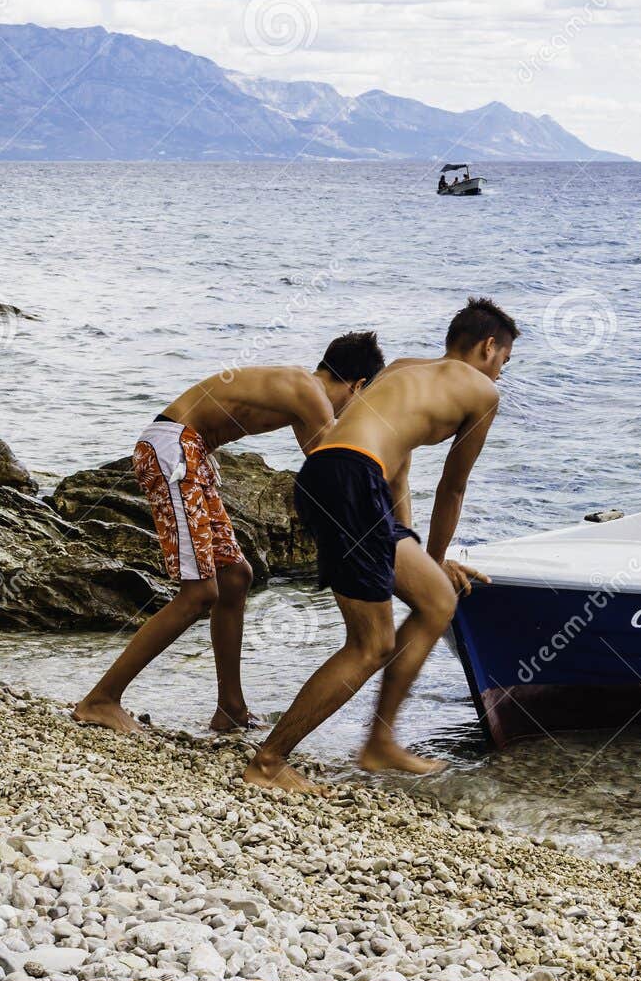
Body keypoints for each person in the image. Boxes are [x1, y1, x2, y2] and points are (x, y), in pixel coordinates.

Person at [244, 298, 517, 794]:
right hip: (351, 479)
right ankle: (268, 762)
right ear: (488, 345)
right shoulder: (481, 391)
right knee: (371, 644)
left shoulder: (404, 370)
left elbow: (397, 468)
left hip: (331, 476)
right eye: (503, 361)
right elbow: (452, 488)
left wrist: (424, 563)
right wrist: (433, 557)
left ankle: (379, 743)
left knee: (437, 600)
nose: (500, 374)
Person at [73, 332, 386, 735]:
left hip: (192, 452)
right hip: (174, 450)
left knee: (236, 576)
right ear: (357, 386)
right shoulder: (310, 393)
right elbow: (334, 465)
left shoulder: (302, 388)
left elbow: (324, 460)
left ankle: (231, 708)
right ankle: (101, 699)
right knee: (199, 592)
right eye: (360, 400)